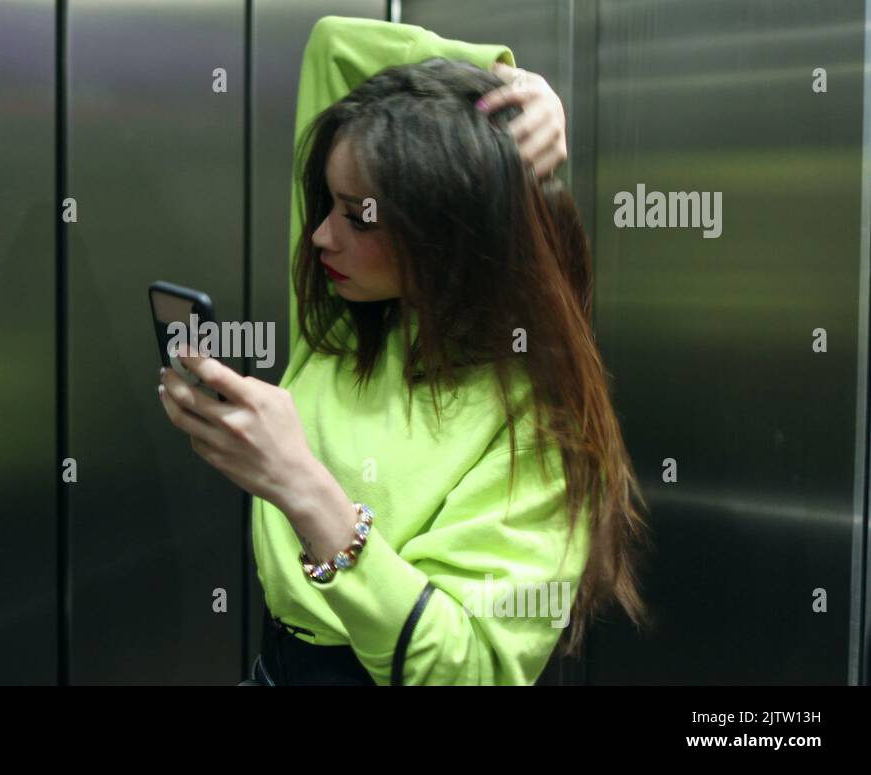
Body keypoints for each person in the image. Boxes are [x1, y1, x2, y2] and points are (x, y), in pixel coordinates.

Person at [158, 15, 650, 685]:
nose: (319, 237)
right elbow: (336, 42)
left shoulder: (534, 430)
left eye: (355, 214)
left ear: (444, 226)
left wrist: (302, 487)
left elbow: (471, 667)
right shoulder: (344, 319)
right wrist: (504, 82)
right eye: (326, 204)